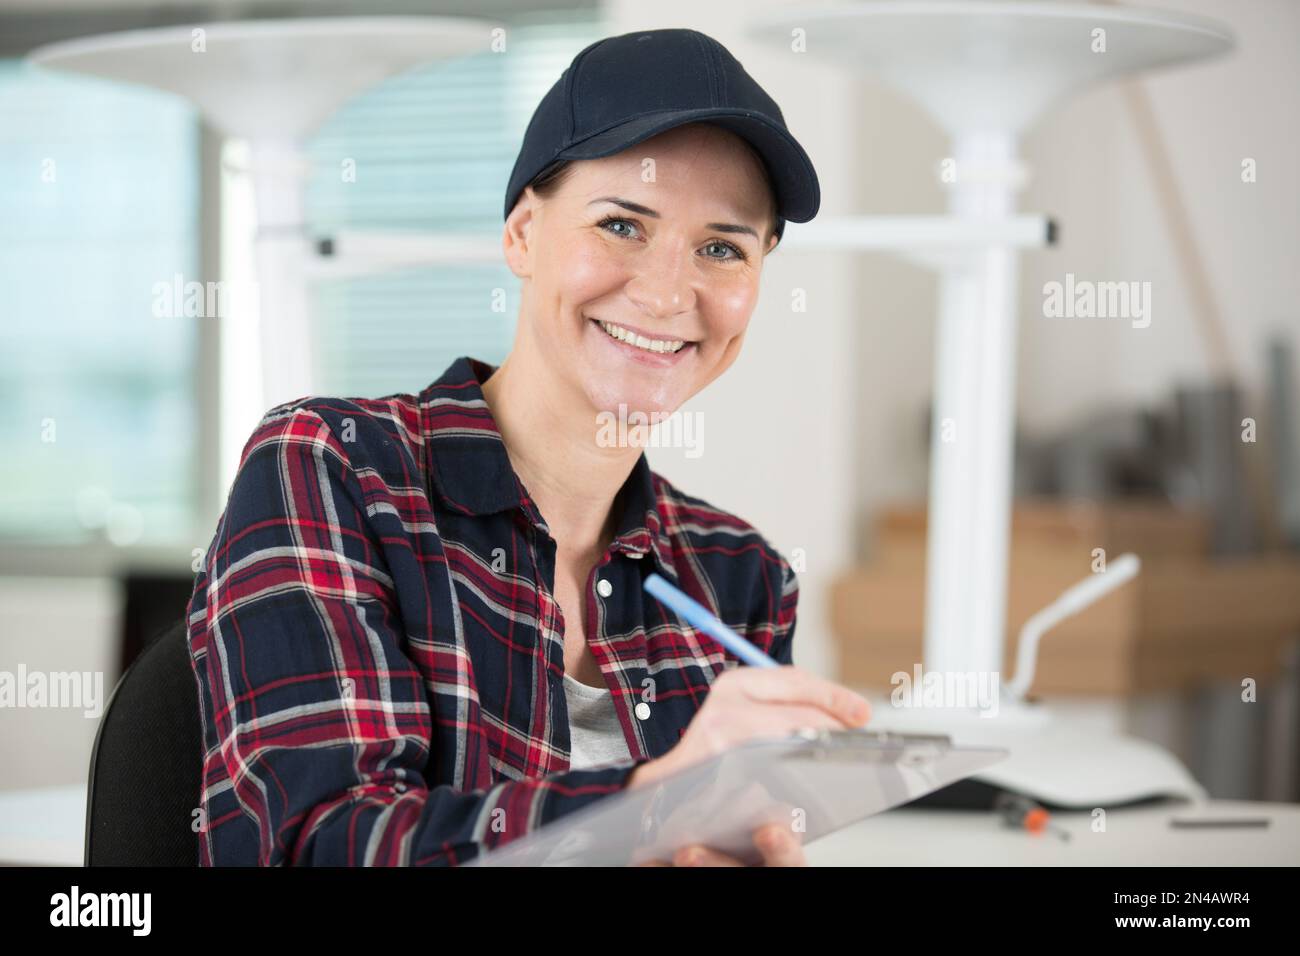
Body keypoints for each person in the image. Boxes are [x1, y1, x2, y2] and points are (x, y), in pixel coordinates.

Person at [186, 27, 870, 868]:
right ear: (521, 234)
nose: (665, 292)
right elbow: (315, 845)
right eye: (622, 224)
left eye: (722, 247)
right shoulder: (332, 466)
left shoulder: (743, 576)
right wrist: (646, 807)